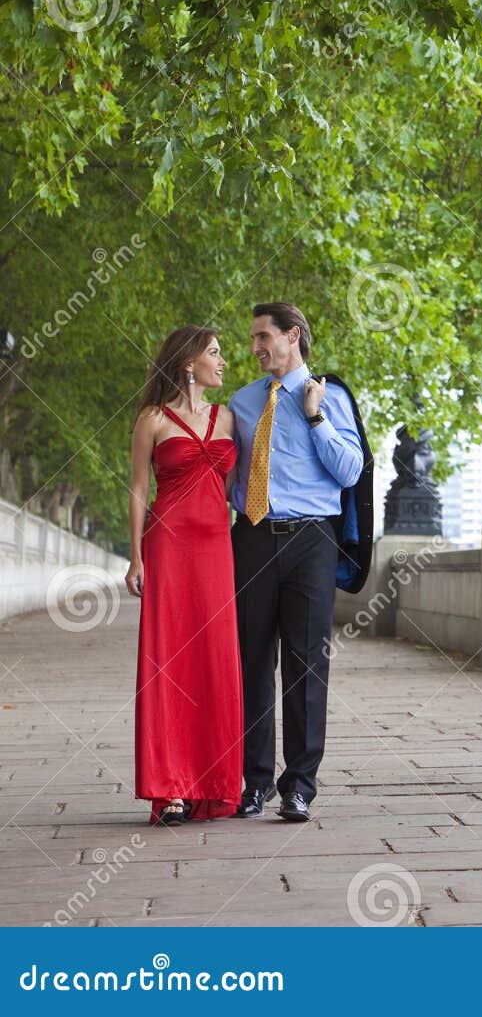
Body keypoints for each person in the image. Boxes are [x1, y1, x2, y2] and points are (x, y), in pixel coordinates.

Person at [228, 302, 364, 823]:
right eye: (254, 338)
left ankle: (299, 786)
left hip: (311, 541)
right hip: (253, 539)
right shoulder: (242, 403)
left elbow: (349, 471)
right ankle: (253, 782)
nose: (256, 347)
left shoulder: (330, 398)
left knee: (307, 665)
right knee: (252, 661)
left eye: (264, 336)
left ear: (293, 336)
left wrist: (315, 417)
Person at [127, 326, 243, 825]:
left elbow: (236, 488)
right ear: (188, 361)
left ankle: (215, 783)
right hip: (168, 550)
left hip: (217, 550)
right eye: (215, 353)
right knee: (169, 662)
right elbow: (137, 490)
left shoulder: (231, 419)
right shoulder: (151, 420)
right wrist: (135, 556)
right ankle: (170, 787)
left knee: (215, 660)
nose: (223, 362)